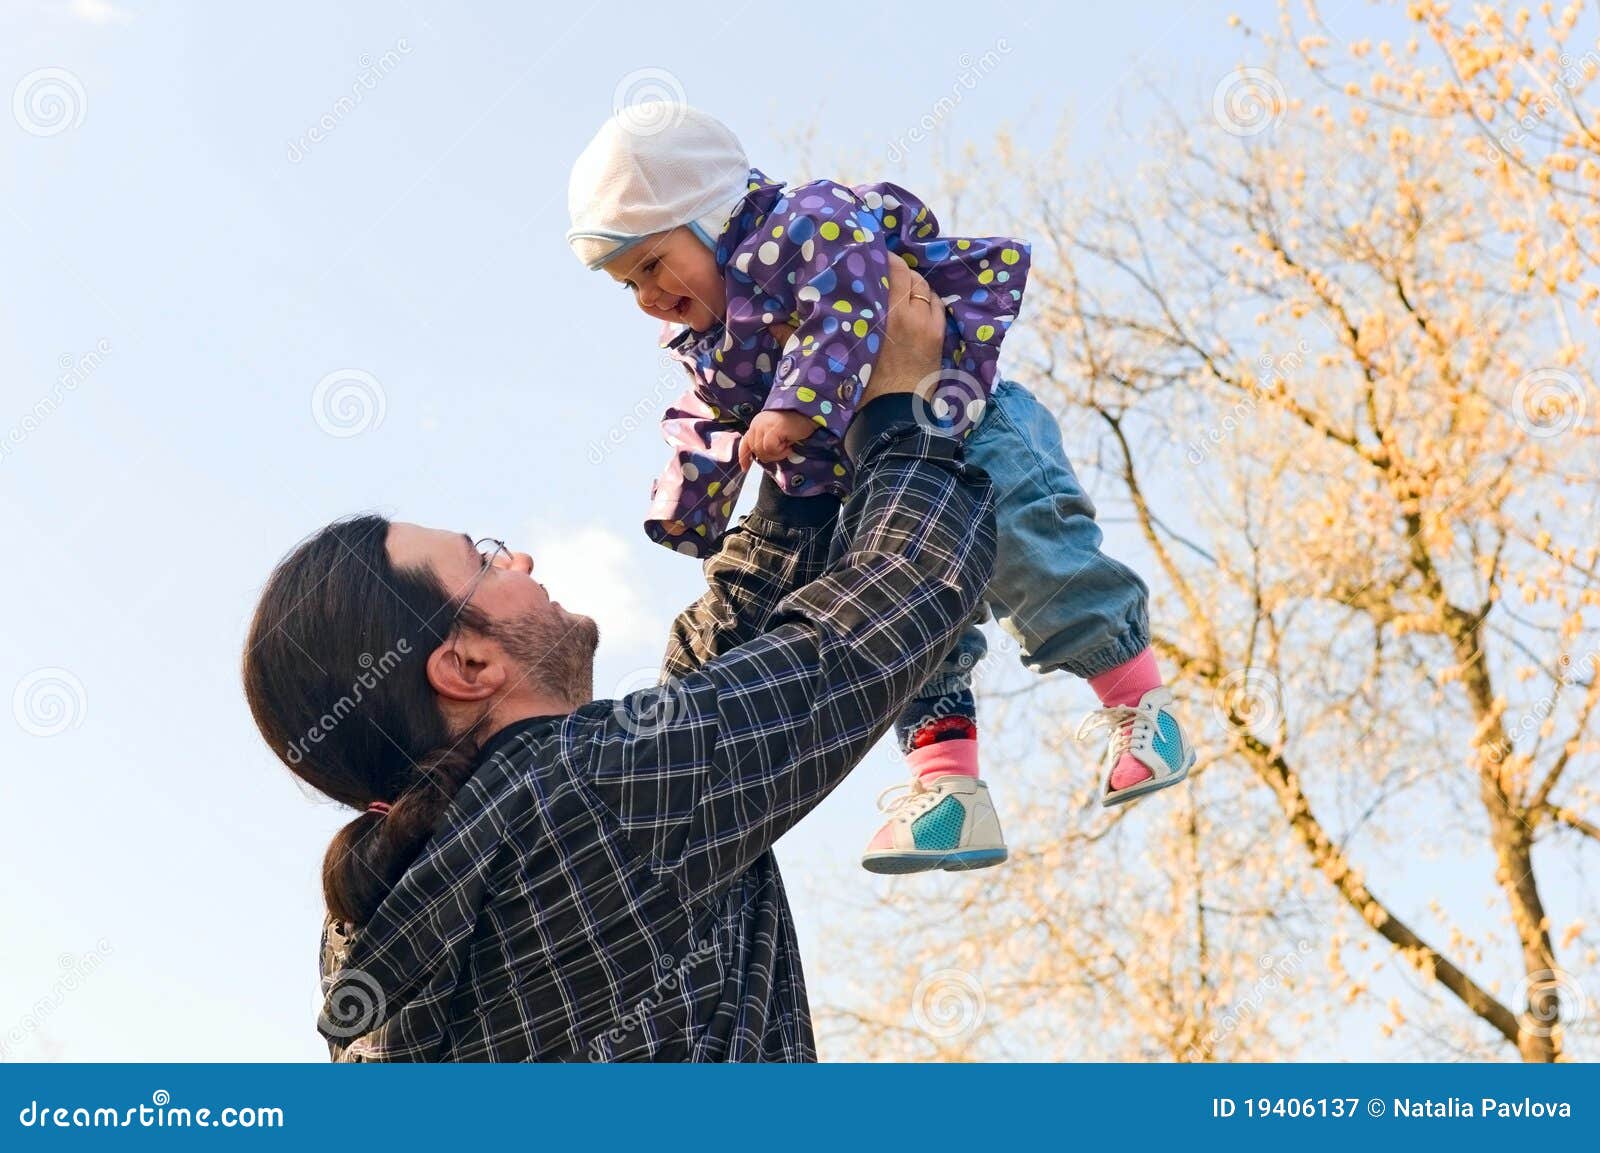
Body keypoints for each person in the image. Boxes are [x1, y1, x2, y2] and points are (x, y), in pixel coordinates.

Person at [241, 261, 994, 1060]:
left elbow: (701, 716)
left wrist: (792, 487)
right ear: (466, 666)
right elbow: (884, 615)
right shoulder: (589, 800)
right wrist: (907, 411)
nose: (521, 560)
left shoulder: (380, 927)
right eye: (486, 559)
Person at [566, 104, 1194, 876]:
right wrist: (692, 504)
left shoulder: (808, 224)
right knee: (912, 631)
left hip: (971, 426)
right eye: (628, 284)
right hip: (878, 483)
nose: (648, 297)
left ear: (711, 213)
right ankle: (948, 792)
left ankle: (1140, 706)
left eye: (654, 263)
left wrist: (793, 406)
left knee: (1040, 563)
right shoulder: (709, 340)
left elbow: (851, 301)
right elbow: (706, 417)